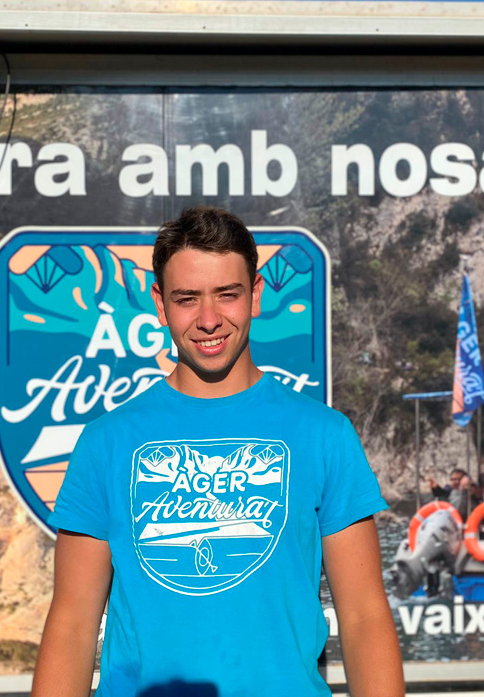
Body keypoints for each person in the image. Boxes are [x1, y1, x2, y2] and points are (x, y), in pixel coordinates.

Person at [32, 207, 404, 697]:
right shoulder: (106, 441)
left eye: (226, 295)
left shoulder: (324, 435)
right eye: (187, 299)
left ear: (254, 295)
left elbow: (363, 617)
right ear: (160, 305)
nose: (209, 320)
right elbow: (73, 625)